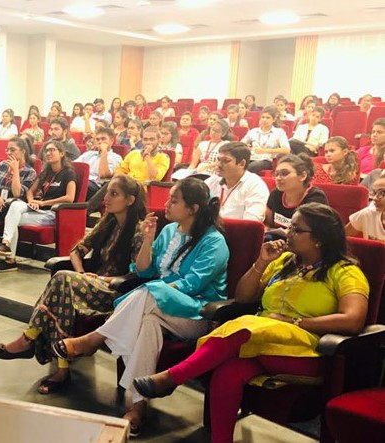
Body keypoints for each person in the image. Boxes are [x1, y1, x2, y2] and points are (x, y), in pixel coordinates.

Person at [137, 203, 368, 443]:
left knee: (248, 325)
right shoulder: (285, 262)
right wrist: (262, 262)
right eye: (290, 226)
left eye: (297, 230)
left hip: (306, 351)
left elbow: (353, 320)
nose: (287, 233)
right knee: (229, 371)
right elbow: (245, 296)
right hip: (260, 340)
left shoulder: (344, 271)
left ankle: (172, 377)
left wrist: (295, 322)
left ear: (319, 239)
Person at [54, 178, 229, 436]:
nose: (166, 204)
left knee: (150, 291)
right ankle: (137, 407)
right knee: (148, 323)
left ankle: (93, 339)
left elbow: (191, 285)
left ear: (193, 208)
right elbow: (144, 270)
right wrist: (148, 240)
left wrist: (156, 289)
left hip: (197, 312)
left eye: (174, 200)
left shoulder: (214, 242)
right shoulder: (169, 232)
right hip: (159, 308)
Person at [0, 175, 146, 393]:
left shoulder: (139, 231)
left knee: (62, 279)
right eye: (107, 192)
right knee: (63, 291)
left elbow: (137, 274)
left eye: (114, 194)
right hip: (91, 284)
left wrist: (99, 279)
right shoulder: (108, 224)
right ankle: (60, 369)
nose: (106, 198)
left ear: (130, 200)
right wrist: (82, 273)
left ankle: (29, 339)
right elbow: (76, 251)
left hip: (114, 291)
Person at [0, 140, 77, 272]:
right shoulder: (46, 172)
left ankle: (9, 260)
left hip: (54, 213)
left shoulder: (68, 173)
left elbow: (69, 198)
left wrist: (43, 203)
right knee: (15, 205)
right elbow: (30, 191)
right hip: (39, 209)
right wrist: (31, 201)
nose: (48, 153)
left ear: (61, 153)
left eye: (52, 150)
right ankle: (5, 244)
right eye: (46, 150)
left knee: (12, 219)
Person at [264, 153, 328, 240]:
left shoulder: (316, 198)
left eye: (284, 173)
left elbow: (310, 236)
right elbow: (268, 224)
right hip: (277, 242)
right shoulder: (276, 193)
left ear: (302, 176)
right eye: (276, 174)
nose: (278, 178)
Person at [0, 137, 37, 224]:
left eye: (12, 150)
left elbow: (17, 193)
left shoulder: (30, 172)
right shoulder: (2, 165)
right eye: (7, 150)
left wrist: (15, 170)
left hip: (8, 204)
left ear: (23, 152)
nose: (8, 153)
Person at [204, 142, 269, 221]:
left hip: (237, 232)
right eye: (218, 160)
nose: (219, 165)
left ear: (241, 164)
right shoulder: (213, 181)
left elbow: (251, 223)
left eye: (226, 161)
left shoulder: (256, 185)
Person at [75, 126, 123, 199]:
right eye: (97, 139)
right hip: (80, 181)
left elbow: (103, 174)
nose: (100, 142)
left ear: (111, 141)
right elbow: (72, 166)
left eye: (103, 139)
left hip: (96, 187)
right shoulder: (89, 154)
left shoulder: (116, 157)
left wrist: (104, 151)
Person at [242, 105, 290, 173]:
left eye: (268, 118)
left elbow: (286, 150)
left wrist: (264, 150)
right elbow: (241, 144)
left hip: (267, 160)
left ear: (273, 120)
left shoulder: (279, 132)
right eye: (263, 117)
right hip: (251, 157)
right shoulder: (253, 131)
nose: (264, 120)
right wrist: (245, 146)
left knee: (252, 166)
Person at [346, 176, 385, 242]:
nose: (375, 198)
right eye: (374, 193)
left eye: (382, 193)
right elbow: (339, 239)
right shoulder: (368, 213)